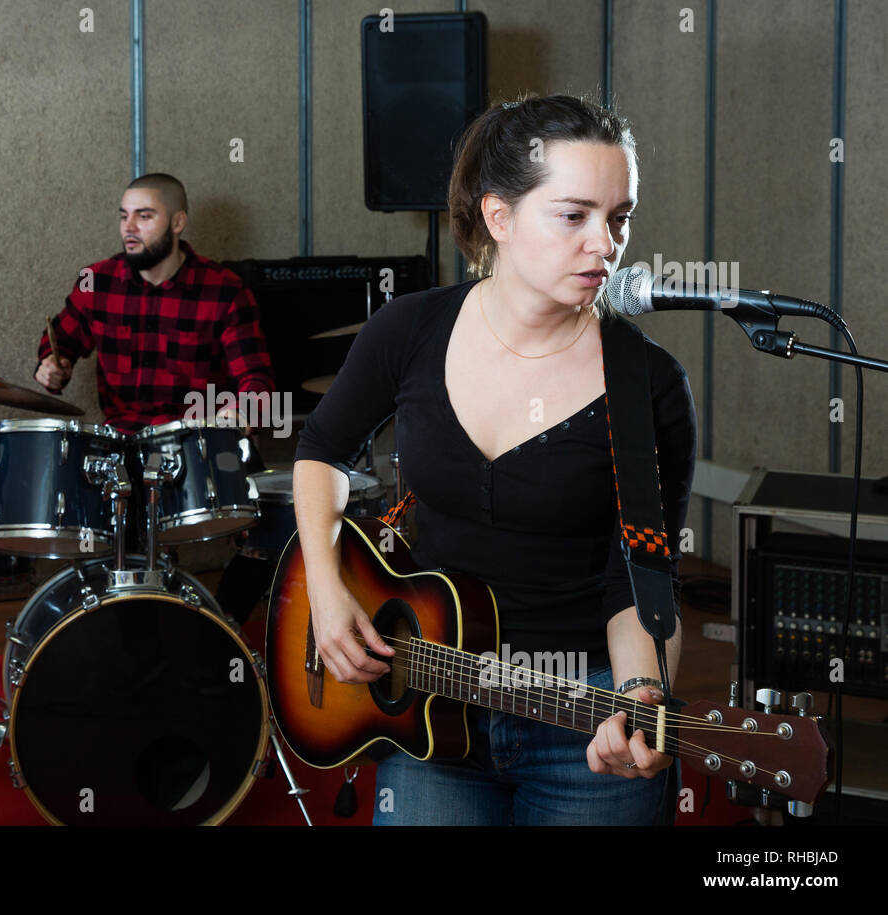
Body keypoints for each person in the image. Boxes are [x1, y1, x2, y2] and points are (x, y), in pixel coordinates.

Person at [292, 95, 697, 826]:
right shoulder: (408, 329)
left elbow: (637, 576)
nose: (606, 245)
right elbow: (322, 448)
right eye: (574, 216)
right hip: (426, 703)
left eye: (621, 218)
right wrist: (325, 587)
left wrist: (639, 695)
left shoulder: (648, 386)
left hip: (581, 718)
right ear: (500, 218)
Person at [34, 173, 275, 622]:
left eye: (145, 216)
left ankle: (221, 624)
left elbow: (257, 383)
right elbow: (58, 343)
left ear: (178, 222)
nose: (130, 227)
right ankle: (131, 628)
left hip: (197, 440)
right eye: (124, 216)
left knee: (275, 527)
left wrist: (241, 407)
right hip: (122, 443)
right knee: (119, 553)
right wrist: (52, 364)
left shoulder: (224, 290)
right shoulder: (95, 282)